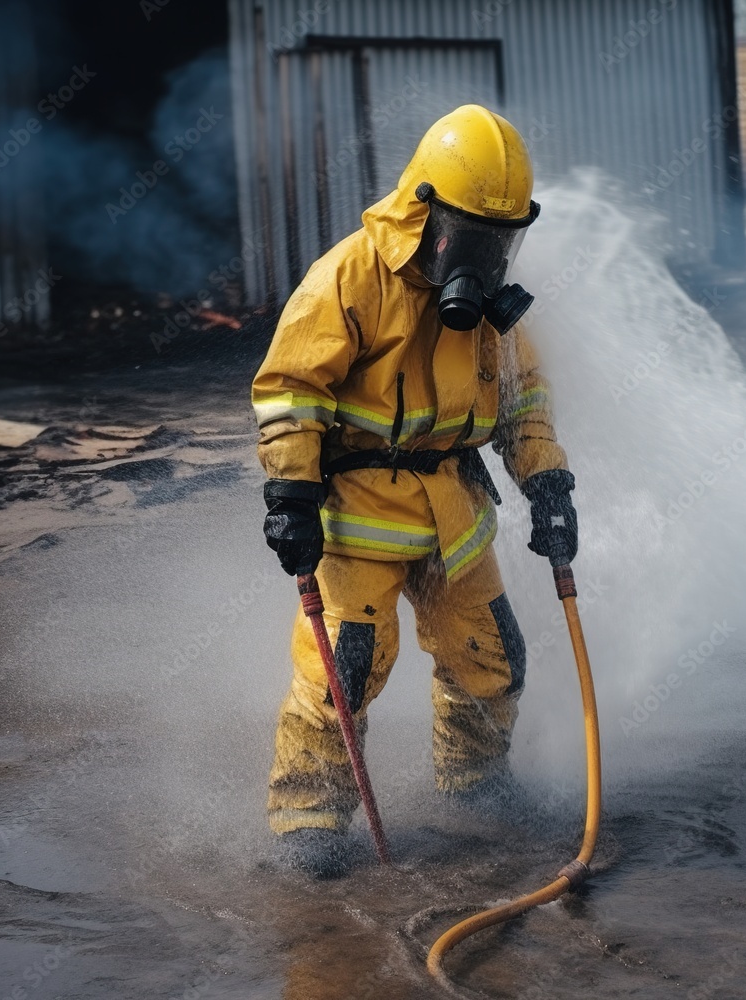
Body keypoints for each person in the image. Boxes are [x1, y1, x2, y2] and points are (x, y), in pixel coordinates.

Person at [251, 104, 578, 877]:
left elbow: (524, 403)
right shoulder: (350, 278)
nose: (485, 258)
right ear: (423, 210)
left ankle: (476, 782)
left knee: (494, 656)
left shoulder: (493, 315)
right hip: (355, 513)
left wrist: (549, 483)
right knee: (346, 668)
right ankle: (308, 816)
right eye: (470, 238)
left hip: (453, 513)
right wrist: (291, 497)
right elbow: (290, 389)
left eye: (500, 241)